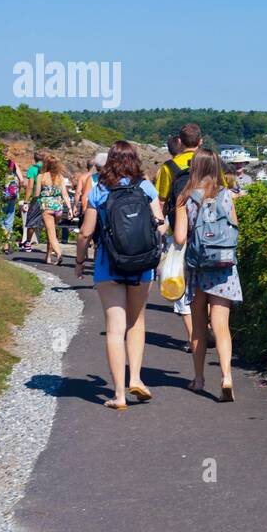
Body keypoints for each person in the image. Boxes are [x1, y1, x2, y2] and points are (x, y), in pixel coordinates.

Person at [74, 141, 166, 410]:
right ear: (135, 160)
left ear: (110, 161)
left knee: (115, 329)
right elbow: (161, 228)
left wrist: (79, 262)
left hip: (108, 265)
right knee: (136, 322)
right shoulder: (146, 187)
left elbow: (85, 232)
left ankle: (118, 394)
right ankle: (136, 378)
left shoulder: (99, 190)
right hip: (142, 265)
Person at [173, 147, 242, 402]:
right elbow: (235, 230)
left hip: (199, 269)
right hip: (224, 269)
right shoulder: (227, 195)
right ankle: (226, 377)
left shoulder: (185, 197)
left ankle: (199, 379)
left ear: (195, 168)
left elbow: (180, 237)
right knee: (222, 326)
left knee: (199, 327)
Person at [156, 124, 203, 345]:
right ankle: (208, 327)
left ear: (180, 143)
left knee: (181, 285)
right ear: (200, 142)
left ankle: (194, 338)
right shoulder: (213, 164)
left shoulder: (169, 167)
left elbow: (161, 202)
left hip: (180, 235)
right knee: (208, 284)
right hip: (211, 235)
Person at [33, 154, 75, 265]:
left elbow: (36, 194)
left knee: (51, 233)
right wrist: (69, 208)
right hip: (58, 208)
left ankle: (58, 253)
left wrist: (31, 203)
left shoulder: (41, 177)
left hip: (47, 207)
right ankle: (48, 257)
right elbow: (65, 194)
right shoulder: (60, 177)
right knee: (50, 232)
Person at [21, 151, 45, 251]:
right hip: (48, 199)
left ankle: (28, 243)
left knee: (31, 221)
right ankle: (51, 246)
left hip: (37, 199)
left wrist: (26, 201)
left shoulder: (32, 169)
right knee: (48, 223)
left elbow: (30, 186)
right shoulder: (47, 169)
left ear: (34, 159)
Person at [1, 157, 26, 250]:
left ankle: (6, 240)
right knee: (9, 219)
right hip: (13, 195)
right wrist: (17, 191)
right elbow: (22, 181)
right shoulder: (13, 163)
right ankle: (7, 245)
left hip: (2, 195)